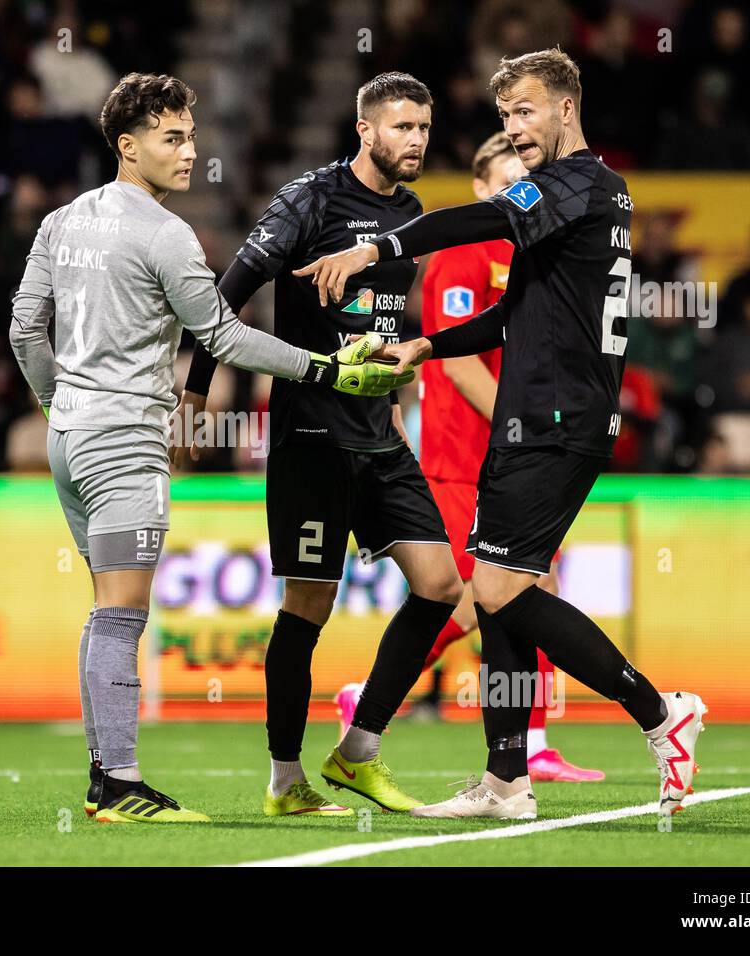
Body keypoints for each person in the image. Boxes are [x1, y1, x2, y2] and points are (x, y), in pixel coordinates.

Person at [295, 48, 706, 820]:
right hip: (542, 413)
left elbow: (476, 217)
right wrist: (429, 345)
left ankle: (659, 712)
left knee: (500, 587)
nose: (514, 128)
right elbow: (517, 313)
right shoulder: (595, 194)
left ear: (565, 108)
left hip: (554, 417)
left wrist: (377, 246)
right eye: (505, 116)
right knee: (496, 591)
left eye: (525, 111)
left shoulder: (574, 183)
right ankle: (507, 781)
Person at [9, 72, 408, 825]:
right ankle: (119, 785)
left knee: (105, 612)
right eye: (172, 138)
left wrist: (51, 402)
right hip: (125, 443)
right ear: (128, 147)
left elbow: (26, 329)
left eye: (191, 136)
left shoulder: (62, 221)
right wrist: (323, 366)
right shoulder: (164, 234)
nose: (190, 152)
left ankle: (107, 778)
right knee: (123, 615)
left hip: (67, 440)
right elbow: (222, 334)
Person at [176, 72, 463, 818]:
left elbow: (389, 323)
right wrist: (197, 391)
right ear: (365, 130)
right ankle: (283, 781)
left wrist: (400, 401)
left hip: (378, 433)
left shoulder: (411, 216)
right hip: (310, 434)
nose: (416, 141)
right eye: (402, 127)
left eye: (424, 128)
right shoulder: (311, 198)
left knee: (440, 585)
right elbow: (227, 295)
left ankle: (358, 750)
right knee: (309, 604)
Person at [338, 131, 604, 783]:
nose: (522, 192)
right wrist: (521, 425)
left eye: (528, 181)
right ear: (484, 190)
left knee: (517, 587)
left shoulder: (534, 256)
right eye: (508, 181)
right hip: (465, 458)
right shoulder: (464, 257)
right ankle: (374, 699)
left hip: (515, 458)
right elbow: (455, 365)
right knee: (499, 590)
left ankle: (527, 737)